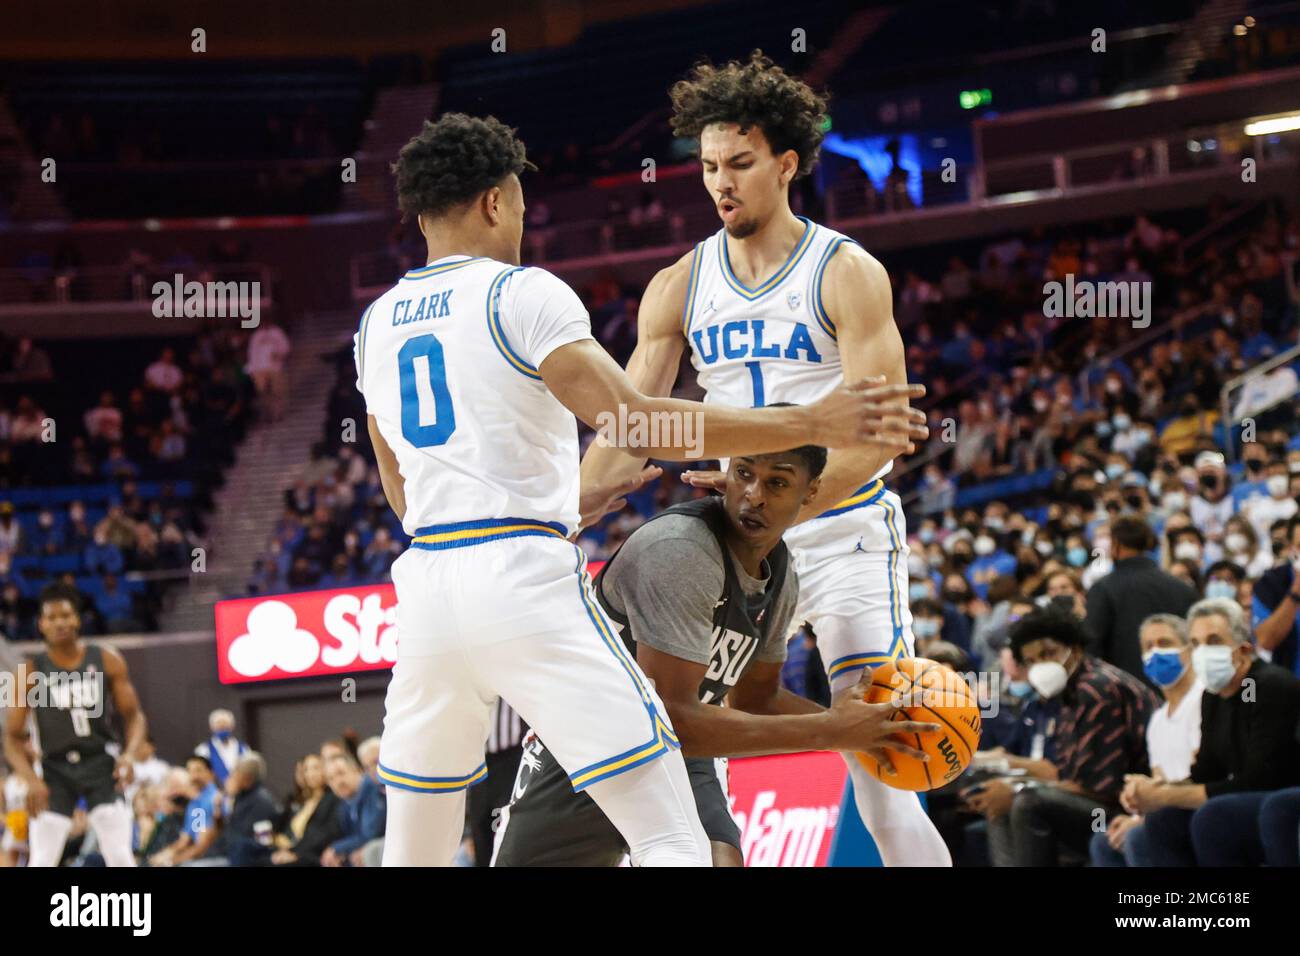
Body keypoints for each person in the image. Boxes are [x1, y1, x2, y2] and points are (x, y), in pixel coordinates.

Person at [356, 112, 921, 867]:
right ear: (495, 201)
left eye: (738, 161)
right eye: (520, 200)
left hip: (426, 584)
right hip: (532, 578)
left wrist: (563, 500)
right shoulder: (525, 295)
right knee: (668, 830)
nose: (522, 217)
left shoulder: (374, 323)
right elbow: (640, 426)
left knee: (414, 848)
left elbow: (395, 472)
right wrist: (809, 418)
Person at [575, 51, 943, 866]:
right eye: (707, 166)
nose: (720, 182)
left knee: (887, 769)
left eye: (739, 163)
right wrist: (568, 508)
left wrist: (781, 500)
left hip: (841, 532)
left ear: (784, 164)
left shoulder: (846, 272)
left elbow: (878, 434)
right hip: (731, 550)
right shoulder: (678, 283)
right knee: (700, 767)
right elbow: (630, 428)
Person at [495, 444, 938, 866]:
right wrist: (832, 730)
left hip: (686, 749)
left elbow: (755, 700)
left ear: (813, 493)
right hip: (589, 745)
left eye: (778, 483)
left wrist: (857, 728)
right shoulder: (680, 548)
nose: (755, 496)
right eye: (744, 473)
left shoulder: (779, 573)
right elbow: (674, 720)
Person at [1121, 598, 1300, 865]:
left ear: (1243, 649)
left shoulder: (1270, 686)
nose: (1202, 651)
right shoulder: (1213, 697)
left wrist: (1165, 795)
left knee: (1214, 814)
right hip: (1248, 797)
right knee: (1163, 818)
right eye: (1195, 643)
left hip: (1279, 794)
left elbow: (1259, 779)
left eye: (1214, 641)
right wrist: (1152, 788)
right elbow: (1206, 772)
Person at [997, 607, 1159, 866]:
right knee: (1003, 801)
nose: (1041, 665)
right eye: (1032, 660)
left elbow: (1098, 789)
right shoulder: (1071, 690)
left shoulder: (1095, 689)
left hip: (1131, 811)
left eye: (1049, 653)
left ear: (1074, 647)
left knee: (1027, 804)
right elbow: (1068, 775)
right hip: (1111, 805)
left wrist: (1017, 791)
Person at [2, 582, 148, 868]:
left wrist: (130, 755)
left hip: (101, 764)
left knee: (119, 856)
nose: (60, 623)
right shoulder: (31, 671)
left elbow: (134, 716)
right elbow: (12, 737)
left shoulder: (107, 659)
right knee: (42, 859)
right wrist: (31, 779)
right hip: (55, 770)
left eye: (66, 616)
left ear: (78, 619)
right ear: (41, 624)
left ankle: (132, 912)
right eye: (52, 618)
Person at [1089, 613, 1203, 866]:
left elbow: (1205, 772)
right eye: (1148, 647)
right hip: (1166, 807)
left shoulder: (1204, 701)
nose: (1155, 653)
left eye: (1164, 643)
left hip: (1196, 803)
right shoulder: (1158, 719)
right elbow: (1158, 779)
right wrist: (1138, 809)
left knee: (1139, 836)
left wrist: (1143, 820)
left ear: (1189, 649)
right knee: (1104, 837)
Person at [1084, 515, 1196, 682]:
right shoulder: (1182, 588)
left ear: (1116, 544)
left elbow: (1092, 647)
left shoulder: (1103, 589)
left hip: (1125, 691)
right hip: (1178, 684)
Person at [270, 753, 341, 867]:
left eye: (315, 768)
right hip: (299, 850)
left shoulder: (332, 798)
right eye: (306, 770)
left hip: (315, 855)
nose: (310, 774)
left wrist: (295, 854)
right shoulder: (303, 800)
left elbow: (323, 834)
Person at [1252, 514, 1300, 675]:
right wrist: (1296, 592)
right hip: (1292, 688)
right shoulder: (1271, 584)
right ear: (1292, 549)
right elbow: (1265, 641)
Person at [321, 752, 385, 868]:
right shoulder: (345, 803)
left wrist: (337, 848)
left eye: (341, 773)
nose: (338, 782)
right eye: (331, 779)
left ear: (357, 770)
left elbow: (370, 833)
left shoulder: (372, 790)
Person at [194, 708, 249, 788]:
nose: (222, 727)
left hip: (240, 790)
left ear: (232, 726)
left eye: (225, 724)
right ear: (212, 727)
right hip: (214, 793)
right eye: (219, 725)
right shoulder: (203, 750)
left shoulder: (244, 748)